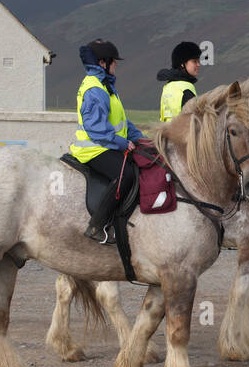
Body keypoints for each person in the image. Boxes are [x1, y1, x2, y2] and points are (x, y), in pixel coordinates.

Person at [69, 39, 147, 244]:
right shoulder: (95, 89)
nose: (117, 65)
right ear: (103, 63)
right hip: (93, 149)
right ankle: (97, 224)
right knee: (126, 174)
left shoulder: (106, 87)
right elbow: (96, 129)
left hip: (106, 145)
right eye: (114, 62)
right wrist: (122, 143)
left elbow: (122, 121)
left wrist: (141, 139)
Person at [157, 41, 202, 121]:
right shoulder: (186, 89)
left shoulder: (167, 86)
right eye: (194, 61)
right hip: (183, 133)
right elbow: (194, 122)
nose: (198, 64)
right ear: (182, 64)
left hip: (166, 132)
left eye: (198, 61)